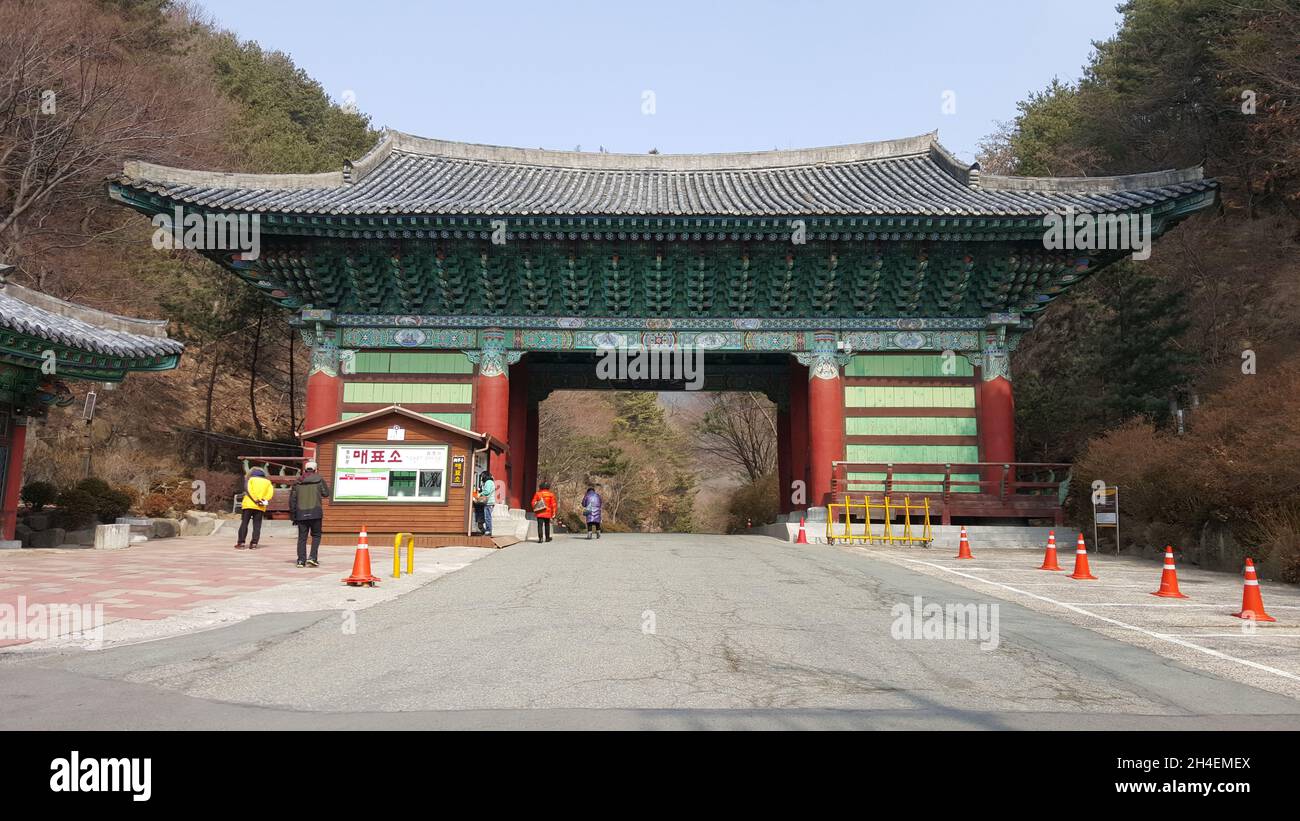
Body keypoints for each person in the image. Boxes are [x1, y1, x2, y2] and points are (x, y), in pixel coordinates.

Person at [289, 460, 331, 568]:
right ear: (316, 470)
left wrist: (293, 515)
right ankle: (312, 557)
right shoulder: (319, 479)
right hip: (315, 512)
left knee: (302, 538)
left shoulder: (297, 482)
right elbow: (326, 493)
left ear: (304, 470)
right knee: (316, 535)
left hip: (300, 513)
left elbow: (292, 500)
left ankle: (300, 561)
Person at [235, 467, 273, 550]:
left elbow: (249, 490)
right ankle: (254, 544)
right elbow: (270, 493)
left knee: (244, 523)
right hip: (260, 506)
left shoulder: (250, 480)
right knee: (257, 525)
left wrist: (255, 499)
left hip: (248, 504)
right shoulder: (268, 482)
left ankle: (241, 543)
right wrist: (262, 500)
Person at [476, 471, 496, 537]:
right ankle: (486, 531)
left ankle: (488, 531)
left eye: (482, 476)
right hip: (489, 502)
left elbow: (487, 492)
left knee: (487, 517)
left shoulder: (488, 482)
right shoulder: (490, 482)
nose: (481, 477)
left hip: (489, 502)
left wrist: (480, 494)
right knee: (487, 517)